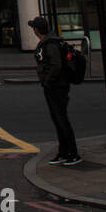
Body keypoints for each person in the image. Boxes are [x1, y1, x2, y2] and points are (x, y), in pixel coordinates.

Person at [28, 15, 81, 166]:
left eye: (33, 27)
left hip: (57, 86)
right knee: (58, 120)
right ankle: (63, 152)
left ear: (37, 29)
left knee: (61, 119)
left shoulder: (50, 44)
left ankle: (73, 153)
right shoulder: (48, 41)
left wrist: (47, 80)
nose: (33, 29)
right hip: (55, 85)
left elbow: (56, 65)